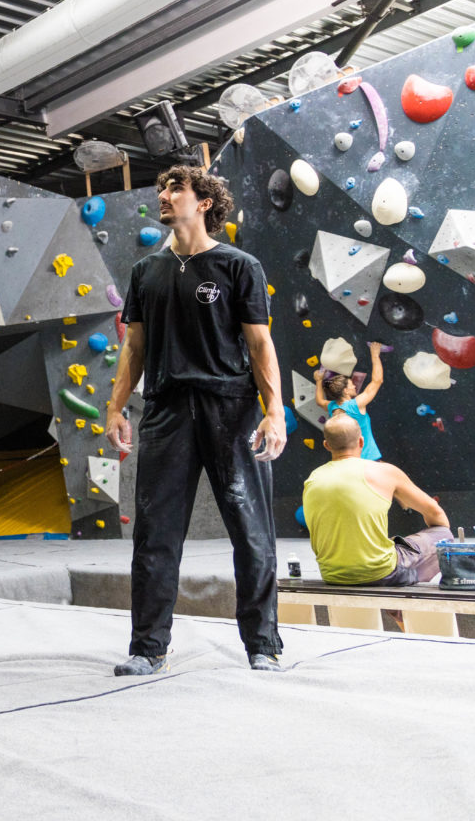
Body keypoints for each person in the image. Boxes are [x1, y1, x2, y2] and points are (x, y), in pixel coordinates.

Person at [105, 164, 288, 675]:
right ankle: (147, 648)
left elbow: (259, 343)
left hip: (231, 409)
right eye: (161, 187)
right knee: (155, 533)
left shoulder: (239, 266)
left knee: (251, 531)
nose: (163, 195)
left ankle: (263, 645)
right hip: (165, 411)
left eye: (175, 188)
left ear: (205, 202)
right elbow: (134, 346)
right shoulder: (146, 272)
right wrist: (116, 406)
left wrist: (274, 412)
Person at [303, 414, 449, 585]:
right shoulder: (384, 471)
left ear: (326, 445)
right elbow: (434, 512)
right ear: (361, 442)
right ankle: (405, 589)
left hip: (333, 576)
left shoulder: (313, 478)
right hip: (382, 573)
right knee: (443, 534)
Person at [313, 342, 385, 460]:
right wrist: (375, 355)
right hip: (370, 460)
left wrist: (318, 380)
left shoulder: (332, 407)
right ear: (346, 391)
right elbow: (377, 380)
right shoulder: (356, 405)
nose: (354, 387)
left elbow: (320, 401)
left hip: (350, 463)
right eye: (351, 385)